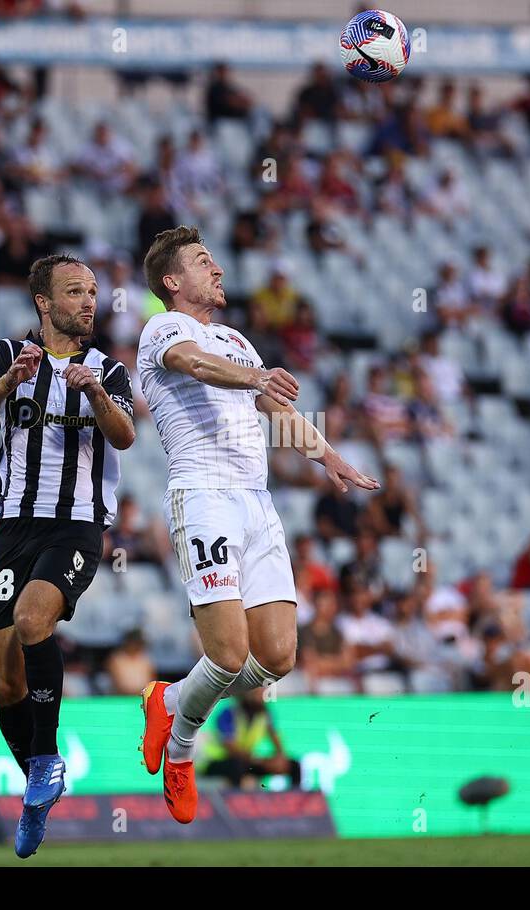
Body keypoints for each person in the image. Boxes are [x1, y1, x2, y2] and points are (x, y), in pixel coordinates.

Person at [135, 225, 377, 824]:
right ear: (173, 280)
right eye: (202, 261)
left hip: (257, 504)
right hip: (206, 497)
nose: (216, 269)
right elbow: (194, 364)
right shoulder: (164, 328)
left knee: (276, 656)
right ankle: (184, 749)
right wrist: (255, 377)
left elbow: (277, 409)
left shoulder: (237, 340)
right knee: (226, 652)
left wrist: (329, 457)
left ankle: (168, 698)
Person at [0, 253, 135, 859]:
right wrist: (8, 384)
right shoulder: (10, 355)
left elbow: (125, 436)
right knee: (4, 680)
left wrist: (97, 396)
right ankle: (38, 781)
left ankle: (49, 758)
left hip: (75, 528)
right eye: (75, 291)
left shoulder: (106, 370)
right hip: (13, 531)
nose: (89, 301)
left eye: (92, 291)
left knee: (34, 620)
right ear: (44, 302)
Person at [199, 689, 302, 789]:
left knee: (293, 765)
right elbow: (230, 747)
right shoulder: (229, 713)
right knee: (236, 766)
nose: (260, 695)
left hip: (246, 760)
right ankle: (237, 801)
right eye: (256, 691)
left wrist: (280, 758)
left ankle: (295, 802)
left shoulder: (264, 714)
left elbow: (274, 737)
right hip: (216, 761)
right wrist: (259, 761)